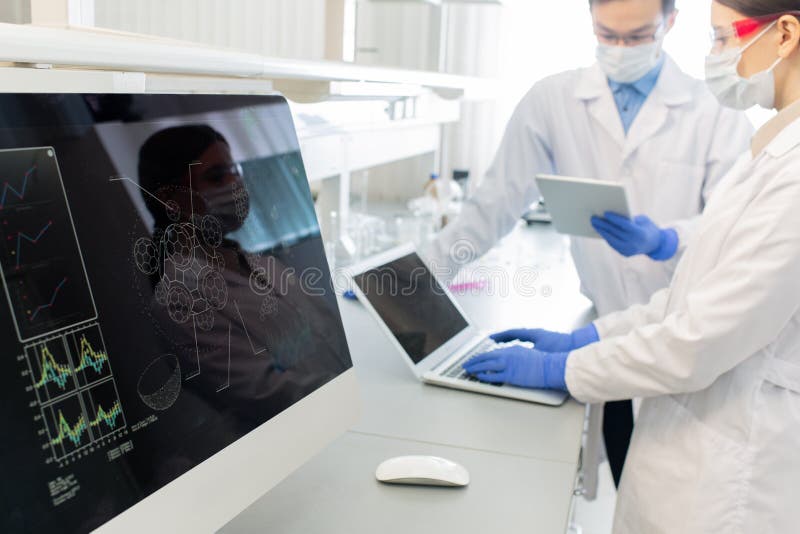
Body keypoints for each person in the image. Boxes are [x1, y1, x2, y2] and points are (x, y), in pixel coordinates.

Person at [464, 1, 800, 531]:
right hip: (687, 430)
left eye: (721, 38)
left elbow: (698, 339)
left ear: (784, 35)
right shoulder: (771, 152)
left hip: (733, 470)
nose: (716, 55)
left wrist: (562, 369)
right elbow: (691, 296)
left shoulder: (793, 173)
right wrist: (587, 338)